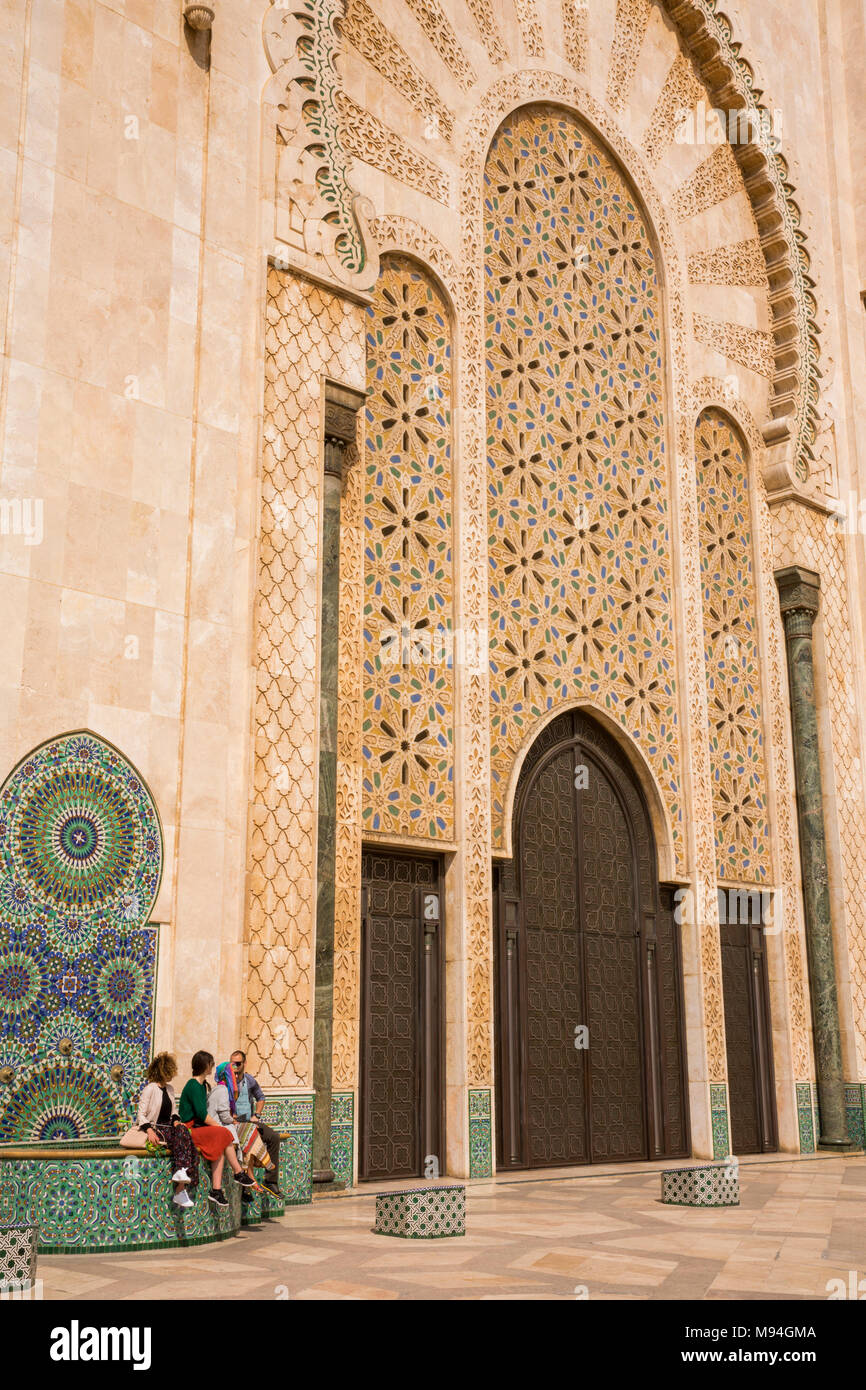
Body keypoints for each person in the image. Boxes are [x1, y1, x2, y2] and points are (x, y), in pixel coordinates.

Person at [178, 1050, 255, 1208]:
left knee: (221, 1139)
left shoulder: (202, 1085)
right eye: (211, 1064)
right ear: (205, 1065)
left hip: (198, 1127)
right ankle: (238, 1172)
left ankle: (217, 1189)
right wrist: (219, 1128)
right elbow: (202, 1114)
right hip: (188, 1130)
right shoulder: (193, 1085)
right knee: (223, 1133)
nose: (212, 1067)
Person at [120, 1052, 198, 1208]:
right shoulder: (150, 1089)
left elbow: (174, 1112)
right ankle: (180, 1188)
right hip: (156, 1128)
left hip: (168, 1128)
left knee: (189, 1143)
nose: (172, 1075)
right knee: (185, 1140)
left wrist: (176, 1122)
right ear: (164, 1071)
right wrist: (149, 1131)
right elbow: (141, 1114)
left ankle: (181, 1185)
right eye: (170, 1071)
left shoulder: (169, 1089)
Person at [219, 1050, 284, 1200]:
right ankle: (246, 1187)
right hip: (234, 1123)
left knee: (273, 1137)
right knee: (247, 1143)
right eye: (232, 1063)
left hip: (250, 1121)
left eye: (238, 1063)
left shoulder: (249, 1081)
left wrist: (257, 1115)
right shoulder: (226, 1082)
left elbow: (260, 1097)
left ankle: (270, 1180)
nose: (234, 1066)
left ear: (244, 1064)